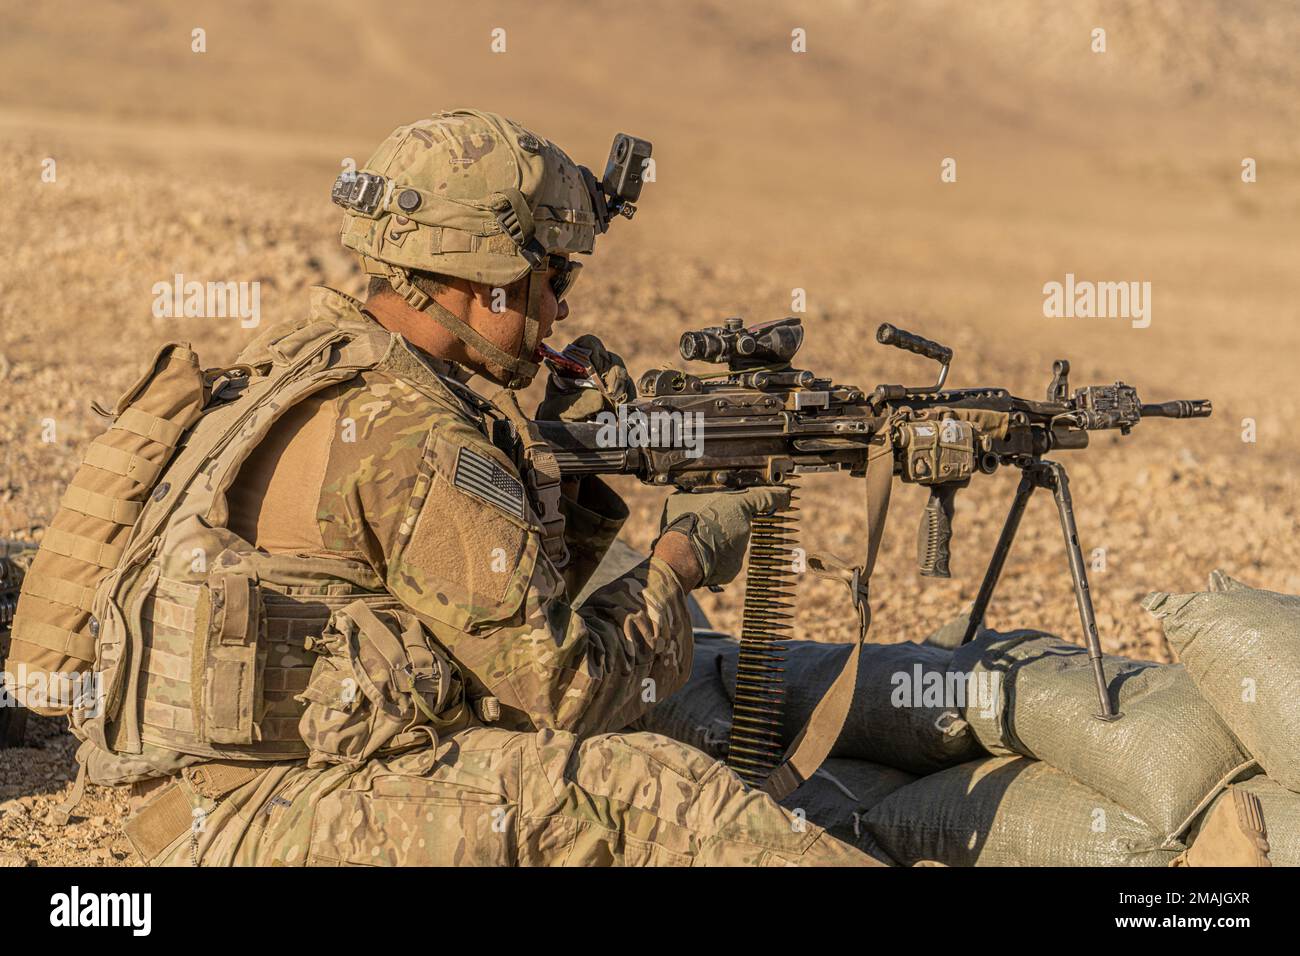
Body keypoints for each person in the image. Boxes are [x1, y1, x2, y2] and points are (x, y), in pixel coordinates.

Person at [51, 109, 879, 866]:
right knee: (646, 793)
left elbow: (485, 629)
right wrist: (681, 558)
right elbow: (570, 695)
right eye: (552, 277)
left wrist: (572, 475)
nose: (556, 310)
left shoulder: (311, 358)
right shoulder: (412, 434)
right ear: (485, 270)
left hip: (202, 792)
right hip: (250, 818)